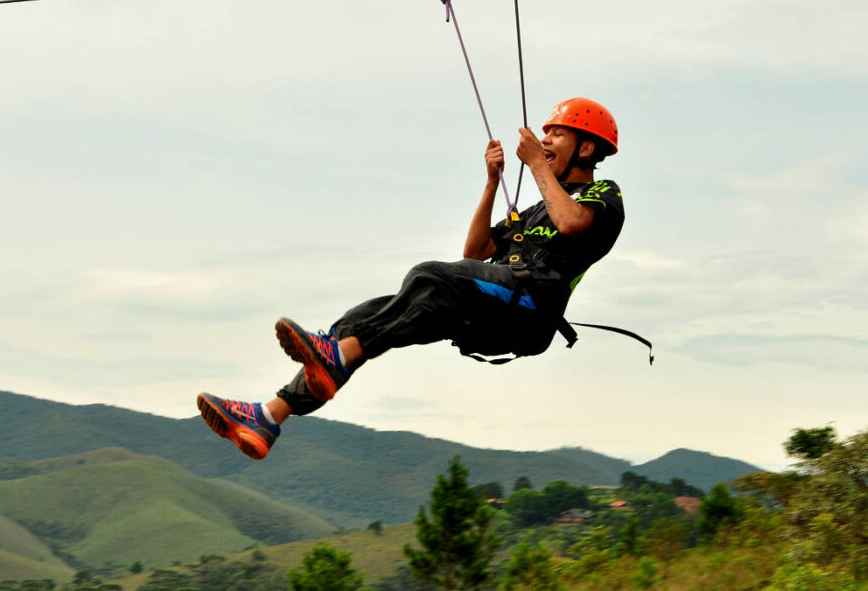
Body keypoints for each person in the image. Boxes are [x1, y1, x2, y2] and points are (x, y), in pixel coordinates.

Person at [197, 97, 625, 459]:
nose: (544, 140)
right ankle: (268, 418)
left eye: (557, 134)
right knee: (364, 318)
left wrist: (535, 165)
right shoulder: (536, 209)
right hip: (492, 305)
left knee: (428, 276)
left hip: (529, 309)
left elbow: (571, 224)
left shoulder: (603, 196)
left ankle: (329, 360)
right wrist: (492, 183)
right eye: (544, 134)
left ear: (586, 150)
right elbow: (475, 253)